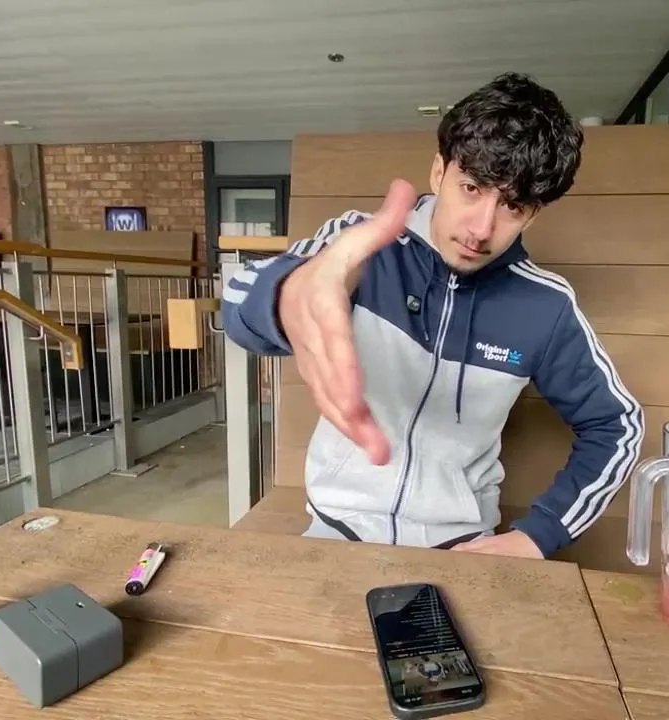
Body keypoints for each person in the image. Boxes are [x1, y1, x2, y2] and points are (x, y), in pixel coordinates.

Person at [221, 72, 643, 559]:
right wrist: (287, 295)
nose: (481, 228)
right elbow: (240, 297)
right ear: (439, 172)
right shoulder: (358, 244)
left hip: (462, 545)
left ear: (532, 214)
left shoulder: (545, 305)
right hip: (336, 529)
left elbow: (618, 424)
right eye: (471, 187)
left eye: (512, 205)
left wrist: (537, 536)